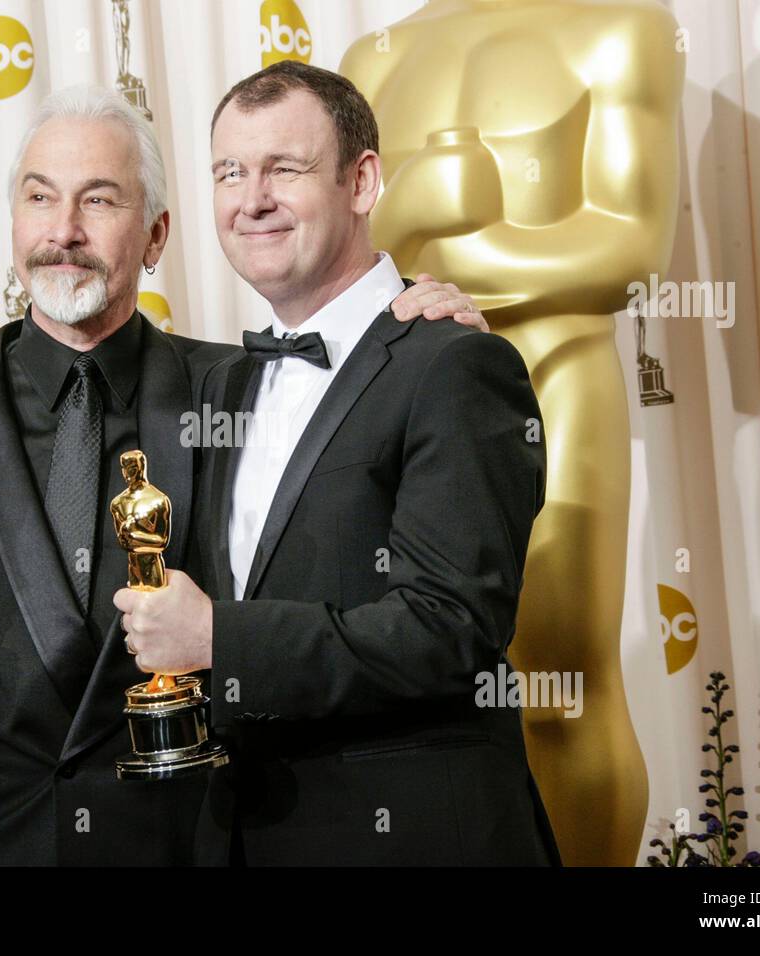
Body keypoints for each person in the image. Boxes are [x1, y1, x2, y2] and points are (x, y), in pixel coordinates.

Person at [0, 84, 483, 865]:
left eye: (99, 201)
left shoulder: (241, 391)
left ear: (156, 234)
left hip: (190, 839)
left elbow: (356, 403)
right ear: (13, 222)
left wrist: (418, 318)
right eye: (40, 198)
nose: (63, 231)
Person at [115, 61, 561, 865]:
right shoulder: (221, 383)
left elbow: (451, 628)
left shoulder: (455, 364)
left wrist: (221, 636)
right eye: (229, 172)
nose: (252, 199)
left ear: (361, 183)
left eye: (285, 168)